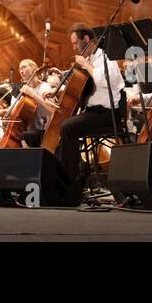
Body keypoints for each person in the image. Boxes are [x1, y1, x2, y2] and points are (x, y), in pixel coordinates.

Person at [54, 24, 126, 197]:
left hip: (108, 114)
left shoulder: (106, 58)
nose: (74, 48)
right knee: (63, 128)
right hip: (93, 112)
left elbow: (104, 81)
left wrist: (86, 64)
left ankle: (70, 183)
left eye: (75, 43)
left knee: (68, 128)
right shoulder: (91, 60)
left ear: (86, 40)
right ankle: (74, 176)